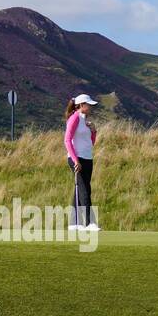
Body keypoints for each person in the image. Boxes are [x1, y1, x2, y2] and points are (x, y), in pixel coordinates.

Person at [64, 94, 100, 231]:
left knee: (80, 189)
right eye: (88, 104)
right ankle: (90, 223)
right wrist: (75, 160)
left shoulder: (85, 121)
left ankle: (74, 223)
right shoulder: (74, 118)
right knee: (85, 189)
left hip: (87, 158)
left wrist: (94, 131)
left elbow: (90, 143)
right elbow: (67, 140)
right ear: (81, 105)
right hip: (77, 159)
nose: (90, 107)